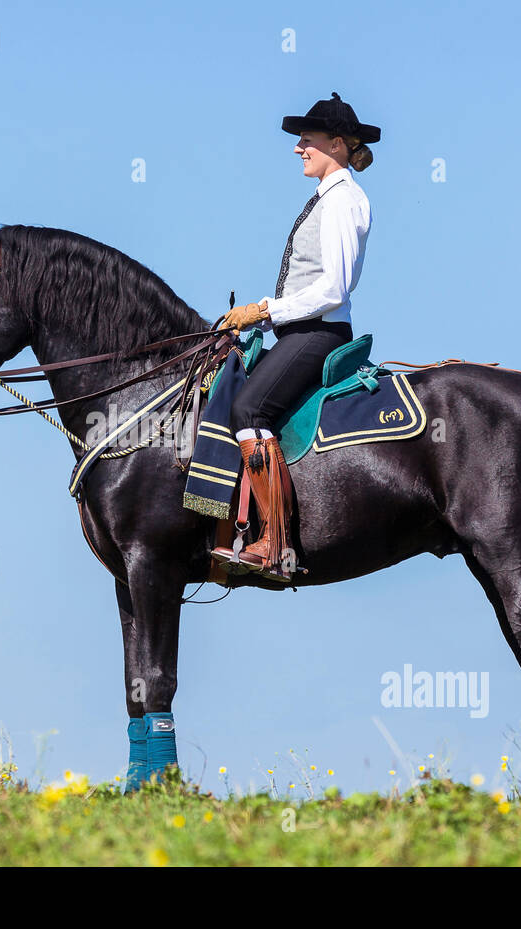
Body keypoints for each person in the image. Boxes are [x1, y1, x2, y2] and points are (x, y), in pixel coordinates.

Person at [212, 92, 380, 583]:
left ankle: (275, 543)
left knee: (249, 411)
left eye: (306, 139)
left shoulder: (344, 200)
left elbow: (332, 290)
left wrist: (265, 309)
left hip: (319, 331)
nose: (297, 148)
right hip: (296, 328)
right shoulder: (325, 197)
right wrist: (257, 320)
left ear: (337, 144)